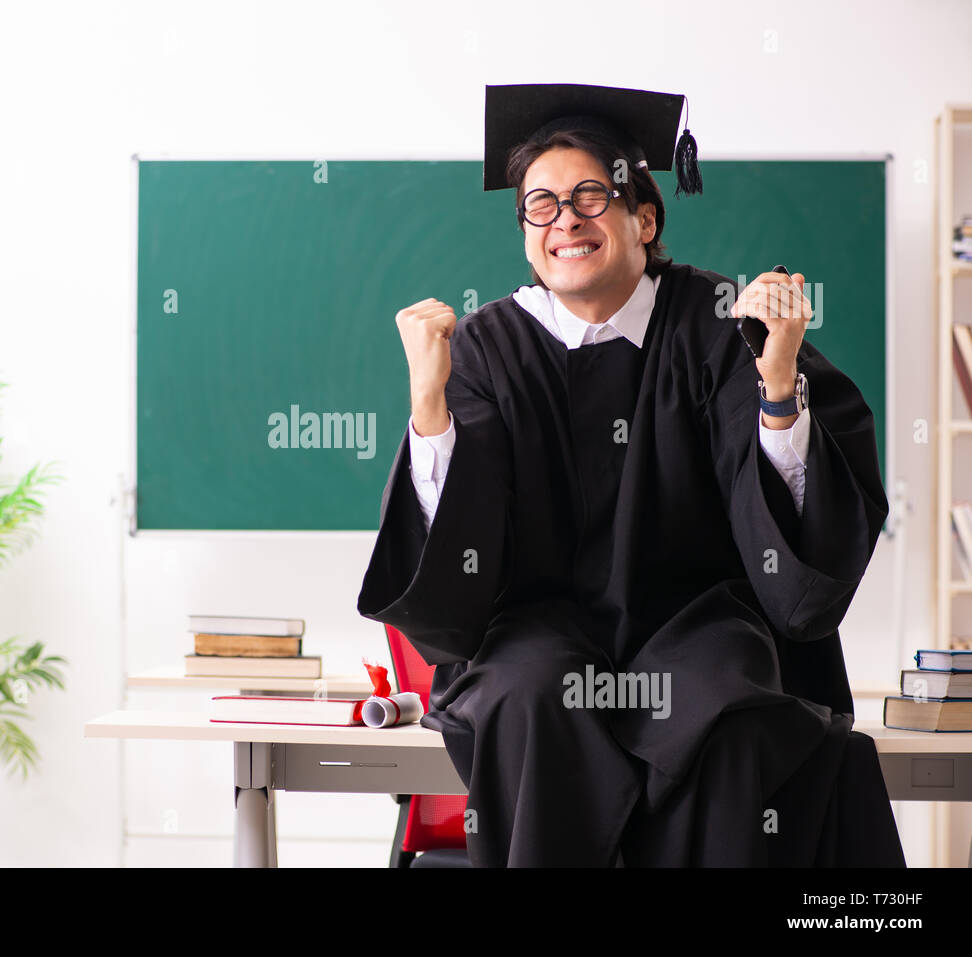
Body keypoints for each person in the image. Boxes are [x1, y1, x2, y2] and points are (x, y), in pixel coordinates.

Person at [356, 83, 905, 867]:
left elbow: (788, 534)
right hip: (537, 625)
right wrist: (428, 406)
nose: (564, 220)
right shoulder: (484, 347)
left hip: (696, 620)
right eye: (539, 205)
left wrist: (777, 383)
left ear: (643, 219)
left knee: (728, 706)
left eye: (589, 196)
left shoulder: (721, 325)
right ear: (524, 233)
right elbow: (457, 553)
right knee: (526, 692)